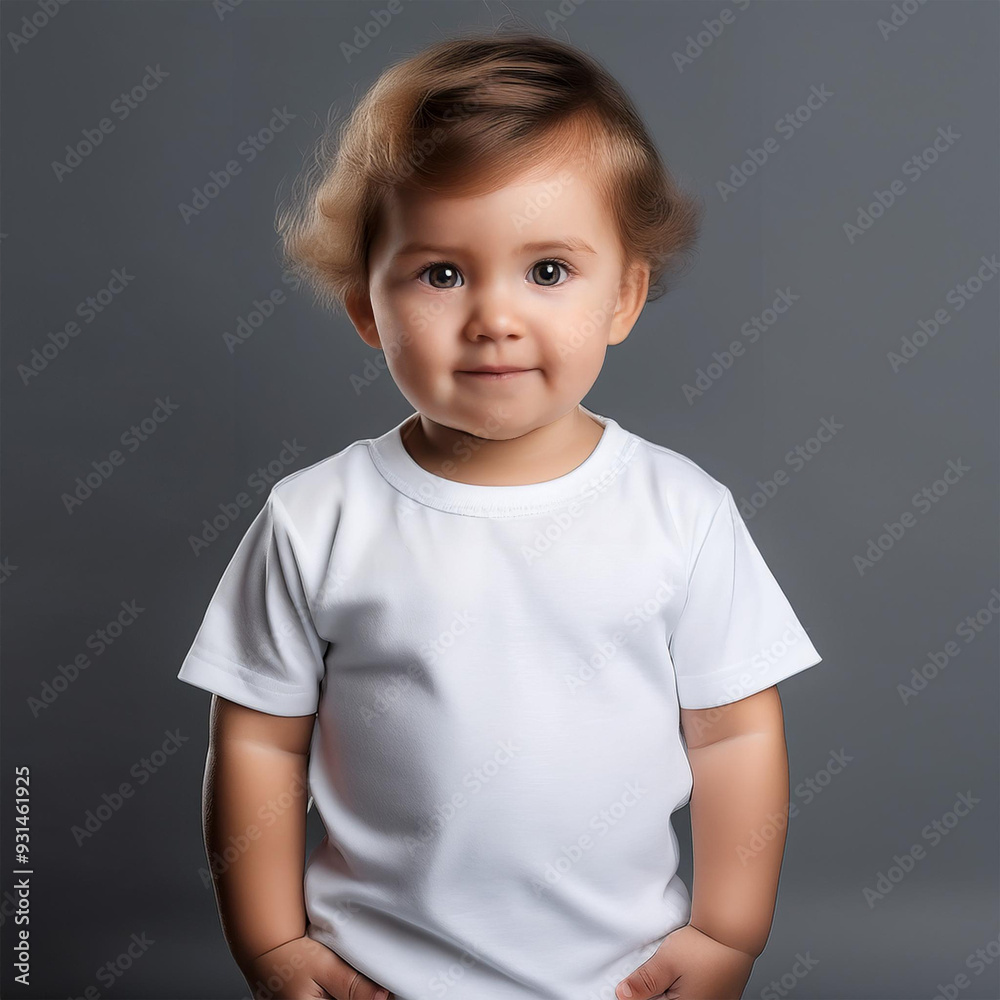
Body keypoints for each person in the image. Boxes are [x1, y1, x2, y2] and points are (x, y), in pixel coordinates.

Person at [177, 31, 824, 1000]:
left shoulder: (679, 511)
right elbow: (259, 740)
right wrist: (271, 945)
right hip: (376, 976)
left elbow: (733, 732)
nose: (494, 317)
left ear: (625, 294)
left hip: (620, 979)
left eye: (548, 271)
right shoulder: (315, 518)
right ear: (366, 304)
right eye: (441, 273)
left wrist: (728, 932)